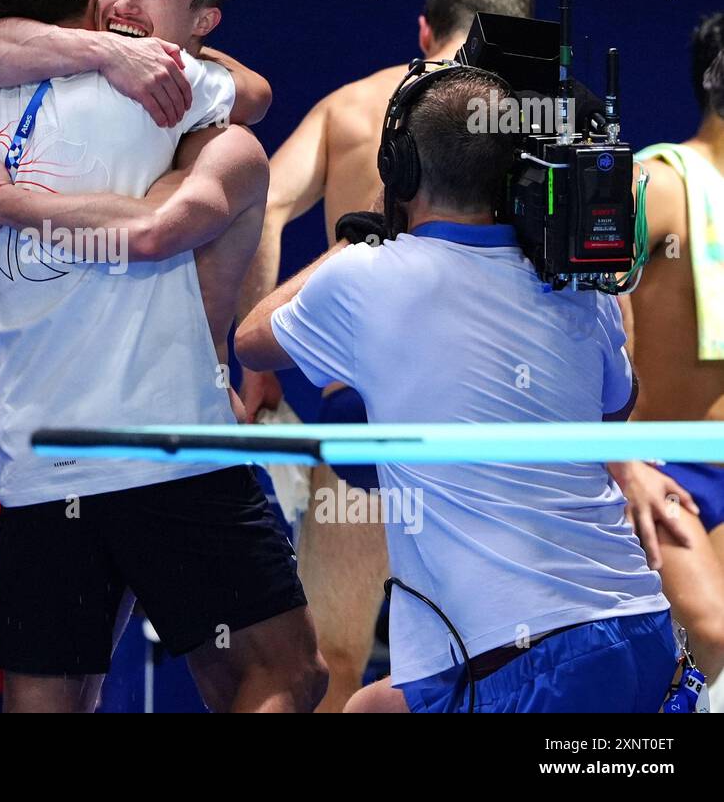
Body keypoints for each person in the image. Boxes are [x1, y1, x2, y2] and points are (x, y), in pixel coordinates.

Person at [0, 0, 326, 713]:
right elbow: (244, 107)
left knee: (48, 698)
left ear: (201, 22)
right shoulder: (164, 90)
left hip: (34, 458)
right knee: (283, 676)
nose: (124, 0)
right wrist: (138, 56)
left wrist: (7, 198)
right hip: (164, 449)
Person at [236, 66, 674, 713]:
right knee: (368, 707)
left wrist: (362, 239)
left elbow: (251, 338)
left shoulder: (364, 276)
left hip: (527, 661)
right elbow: (617, 406)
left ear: (402, 170)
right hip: (643, 632)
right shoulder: (579, 289)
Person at [235, 0, 535, 710]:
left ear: (425, 28)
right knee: (502, 651)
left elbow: (265, 204)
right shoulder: (524, 121)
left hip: (363, 417)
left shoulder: (352, 107)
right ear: (519, 36)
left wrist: (260, 370)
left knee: (334, 649)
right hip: (488, 420)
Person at [610, 15, 724, 685]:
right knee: (715, 637)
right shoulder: (656, 181)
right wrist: (616, 457)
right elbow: (572, 306)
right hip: (666, 469)